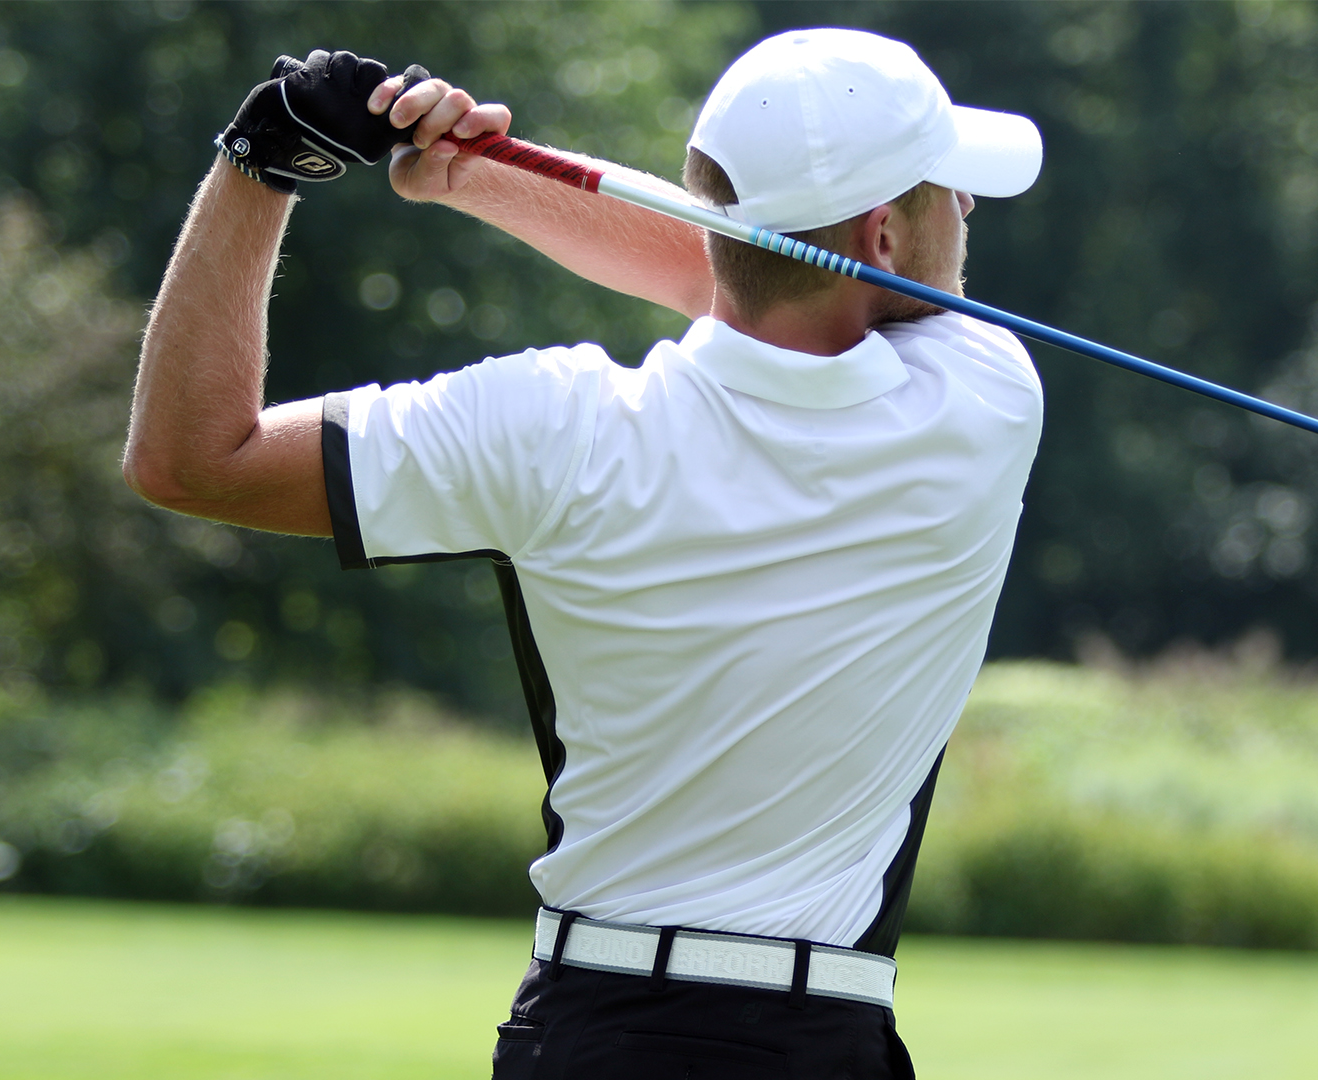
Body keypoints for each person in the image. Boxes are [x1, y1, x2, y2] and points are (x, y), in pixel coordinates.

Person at [126, 28, 1043, 1079]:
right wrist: (480, 181)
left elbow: (194, 460)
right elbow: (748, 286)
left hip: (591, 1034)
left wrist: (264, 163)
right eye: (947, 191)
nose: (967, 208)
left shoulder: (551, 427)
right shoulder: (985, 397)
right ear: (882, 239)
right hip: (822, 1044)